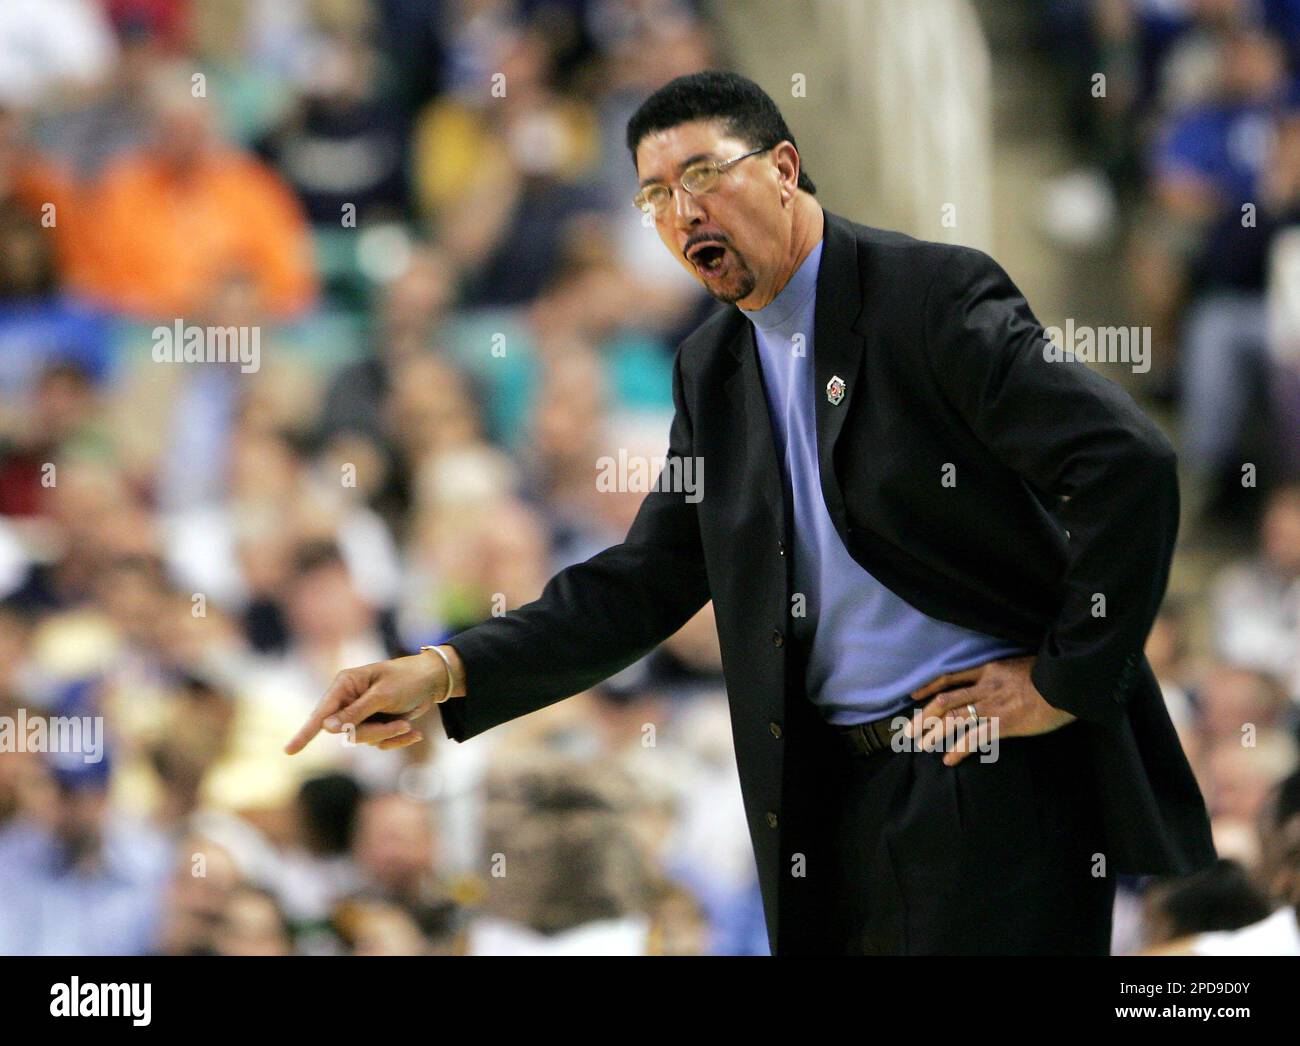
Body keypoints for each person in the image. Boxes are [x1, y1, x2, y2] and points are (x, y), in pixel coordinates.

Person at [287, 70, 1216, 955]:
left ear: (781, 168)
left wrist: (1064, 682)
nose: (683, 211)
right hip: (831, 797)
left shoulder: (930, 298)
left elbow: (1124, 463)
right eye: (654, 195)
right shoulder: (713, 366)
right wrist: (446, 669)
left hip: (986, 774)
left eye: (703, 175)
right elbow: (647, 581)